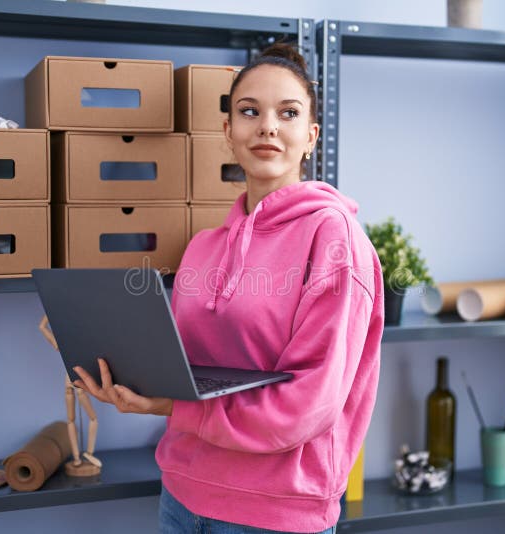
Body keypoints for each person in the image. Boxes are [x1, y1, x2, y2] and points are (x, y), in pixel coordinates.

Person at [73, 43, 384, 534]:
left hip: (274, 513)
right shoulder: (202, 247)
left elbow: (308, 405)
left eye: (288, 113)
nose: (267, 126)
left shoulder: (334, 240)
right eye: (249, 112)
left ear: (311, 137)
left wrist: (170, 407)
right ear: (228, 132)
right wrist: (116, 367)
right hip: (181, 496)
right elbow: (181, 369)